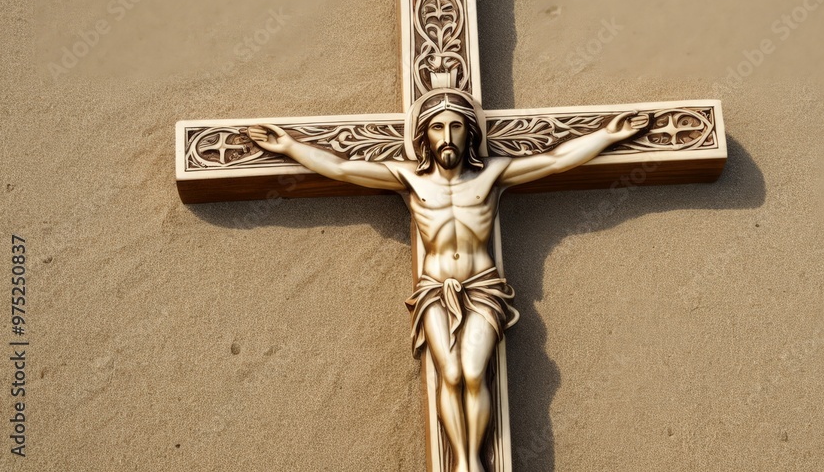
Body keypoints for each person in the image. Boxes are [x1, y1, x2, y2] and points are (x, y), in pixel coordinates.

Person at [248, 89, 648, 472]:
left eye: (456, 126)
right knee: (450, 374)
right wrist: (290, 147)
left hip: (483, 287)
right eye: (437, 127)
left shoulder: (492, 174)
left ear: (469, 132)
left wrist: (609, 135)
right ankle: (463, 461)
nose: (447, 136)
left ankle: (474, 459)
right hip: (434, 291)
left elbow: (556, 161)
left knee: (474, 372)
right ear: (424, 135)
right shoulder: (409, 178)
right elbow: (341, 168)